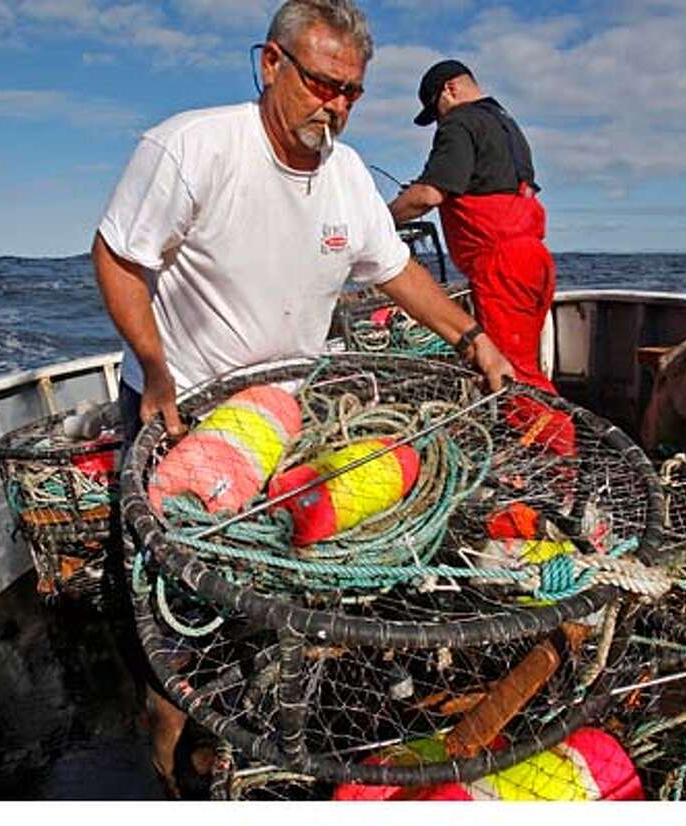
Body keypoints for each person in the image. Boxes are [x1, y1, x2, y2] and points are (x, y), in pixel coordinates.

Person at [91, 0, 514, 797]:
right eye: (322, 83)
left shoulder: (346, 177)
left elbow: (394, 269)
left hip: (282, 413)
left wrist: (471, 337)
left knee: (259, 575)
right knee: (171, 592)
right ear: (271, 64)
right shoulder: (194, 147)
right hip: (182, 409)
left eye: (351, 92)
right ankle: (165, 740)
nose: (336, 106)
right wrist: (155, 369)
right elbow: (117, 257)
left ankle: (231, 727)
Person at [388, 60, 557, 394]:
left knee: (509, 375)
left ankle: (550, 430)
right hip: (535, 261)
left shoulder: (459, 121)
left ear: (450, 89)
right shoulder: (505, 124)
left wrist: (378, 219)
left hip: (502, 265)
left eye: (436, 111)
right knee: (524, 364)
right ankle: (541, 424)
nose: (439, 121)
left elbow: (429, 194)